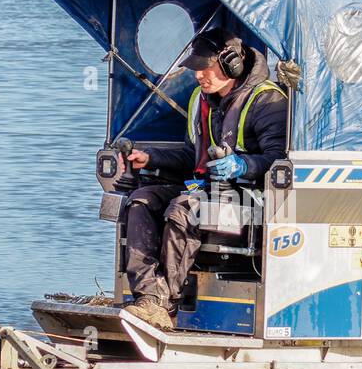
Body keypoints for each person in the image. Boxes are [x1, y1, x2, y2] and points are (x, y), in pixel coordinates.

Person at [121, 28, 294, 330]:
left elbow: (278, 162)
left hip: (251, 197)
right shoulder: (199, 100)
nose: (200, 75)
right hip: (204, 189)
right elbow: (193, 157)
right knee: (140, 200)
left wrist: (242, 165)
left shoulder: (268, 101)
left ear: (231, 65)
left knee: (183, 208)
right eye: (196, 68)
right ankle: (148, 298)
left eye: (206, 67)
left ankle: (166, 303)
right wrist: (150, 158)